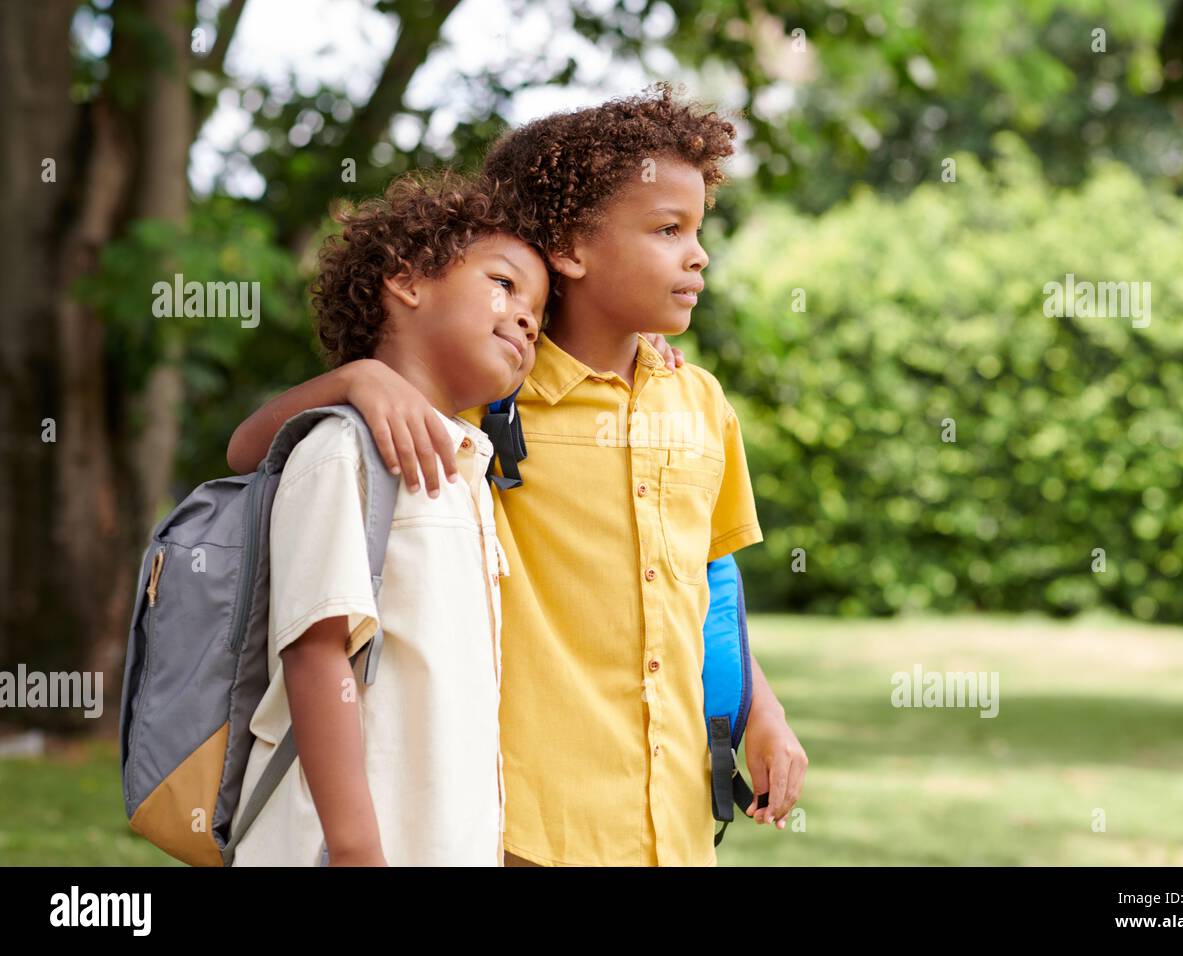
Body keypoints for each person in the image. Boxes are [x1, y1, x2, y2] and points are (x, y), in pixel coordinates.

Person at [229, 85, 809, 866]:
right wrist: (357, 378)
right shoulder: (484, 400)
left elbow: (707, 583)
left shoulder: (701, 402)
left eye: (697, 229)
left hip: (675, 827)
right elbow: (252, 450)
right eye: (669, 229)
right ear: (570, 248)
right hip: (528, 826)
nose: (697, 253)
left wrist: (762, 715)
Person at [229, 170, 545, 866]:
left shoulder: (471, 475)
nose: (527, 317)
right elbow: (315, 650)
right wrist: (355, 846)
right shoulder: (343, 448)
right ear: (408, 281)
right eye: (503, 284)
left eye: (539, 312)